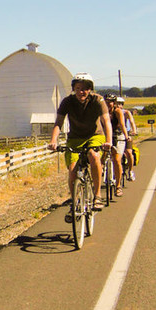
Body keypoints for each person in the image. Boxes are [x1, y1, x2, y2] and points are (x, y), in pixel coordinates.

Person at [49, 73, 110, 219]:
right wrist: (53, 141)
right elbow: (58, 123)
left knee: (94, 156)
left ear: (90, 89)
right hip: (75, 138)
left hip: (95, 136)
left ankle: (97, 196)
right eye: (78, 88)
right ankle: (74, 202)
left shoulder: (98, 100)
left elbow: (106, 121)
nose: (81, 91)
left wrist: (109, 141)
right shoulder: (67, 102)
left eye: (84, 88)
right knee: (72, 171)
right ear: (73, 89)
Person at [104, 94, 128, 196]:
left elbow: (122, 124)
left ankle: (118, 186)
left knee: (117, 160)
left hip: (118, 135)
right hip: (106, 136)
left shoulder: (117, 111)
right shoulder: (102, 111)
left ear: (114, 103)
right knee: (101, 158)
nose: (108, 104)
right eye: (107, 101)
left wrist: (126, 136)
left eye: (111, 102)